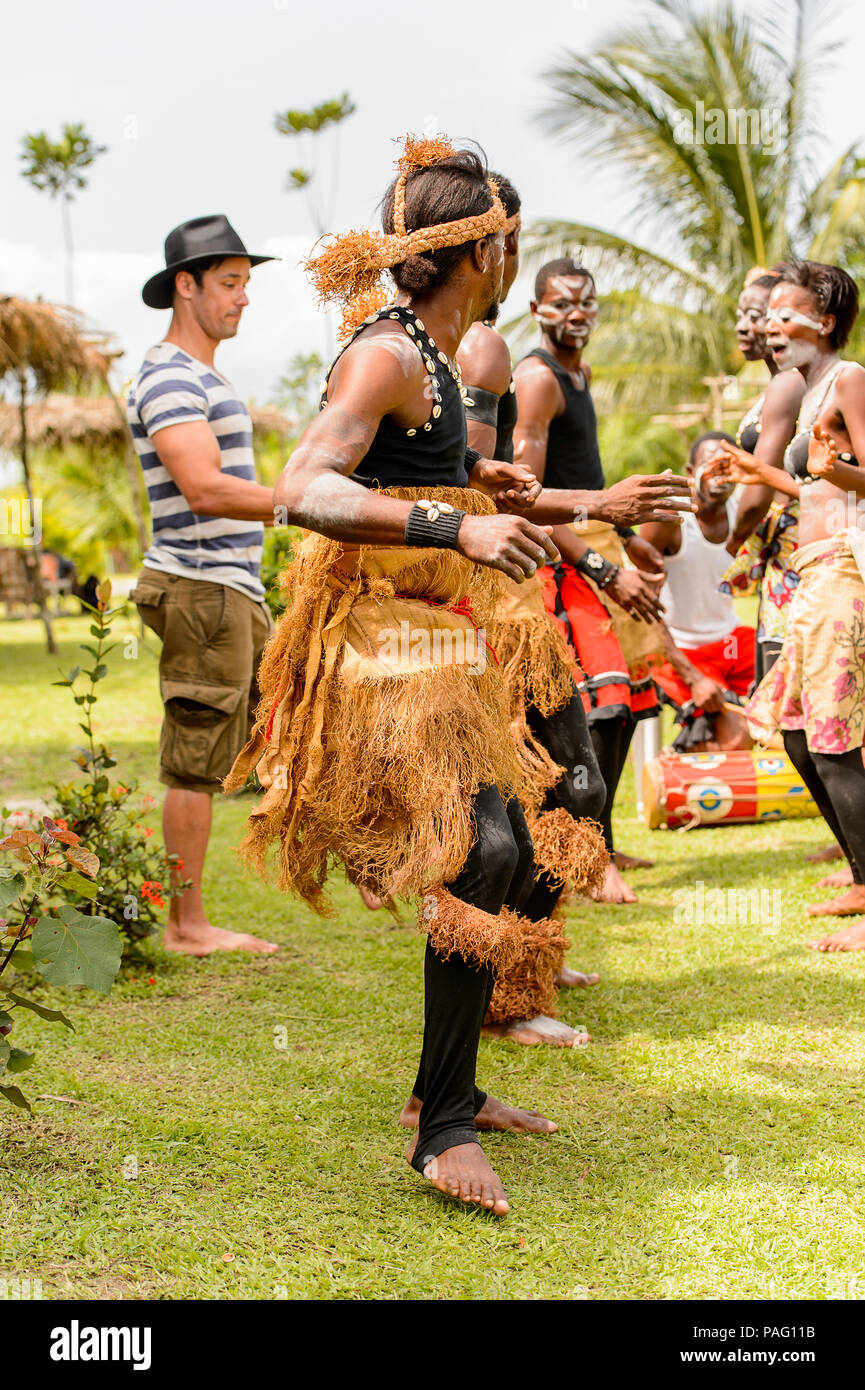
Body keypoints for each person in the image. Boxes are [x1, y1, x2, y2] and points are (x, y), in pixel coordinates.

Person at [227, 137, 578, 1214]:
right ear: (488, 248)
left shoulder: (436, 354)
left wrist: (479, 478)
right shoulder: (383, 352)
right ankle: (442, 1127)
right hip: (382, 638)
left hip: (439, 636)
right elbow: (305, 486)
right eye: (510, 239)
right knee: (485, 847)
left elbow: (406, 457)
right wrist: (449, 525)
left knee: (508, 843)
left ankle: (451, 1092)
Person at [436, 176, 693, 1048]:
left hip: (537, 583)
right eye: (504, 240)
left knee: (572, 788)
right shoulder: (494, 360)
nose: (574, 313)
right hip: (508, 599)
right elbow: (494, 491)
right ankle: (511, 988)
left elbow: (495, 486)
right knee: (545, 797)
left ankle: (528, 965)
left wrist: (614, 539)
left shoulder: (495, 356)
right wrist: (594, 542)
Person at [128, 215, 279, 957]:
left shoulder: (205, 375)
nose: (243, 298)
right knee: (194, 756)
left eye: (246, 283)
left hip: (231, 587)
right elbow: (202, 487)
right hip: (200, 586)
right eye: (228, 282)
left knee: (281, 728)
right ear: (184, 287)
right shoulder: (168, 374)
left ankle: (370, 875)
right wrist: (300, 502)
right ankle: (187, 927)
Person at [714, 260, 865, 950]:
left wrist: (833, 470)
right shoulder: (806, 394)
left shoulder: (849, 380)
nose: (769, 329)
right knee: (801, 735)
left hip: (842, 571)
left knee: (833, 743)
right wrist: (754, 471)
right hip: (807, 577)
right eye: (766, 317)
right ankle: (859, 870)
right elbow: (813, 488)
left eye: (784, 316)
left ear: (824, 321)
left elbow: (852, 477)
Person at [513, 258, 670, 903]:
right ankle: (582, 854)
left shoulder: (577, 372)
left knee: (630, 699)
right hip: (557, 559)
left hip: (594, 543)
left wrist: (629, 540)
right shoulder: (536, 379)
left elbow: (587, 476)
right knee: (597, 706)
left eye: (587, 304)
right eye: (563, 304)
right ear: (537, 311)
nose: (577, 315)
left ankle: (598, 841)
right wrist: (603, 569)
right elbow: (530, 496)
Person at [644, 432, 756, 751]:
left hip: (732, 642)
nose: (719, 473)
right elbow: (637, 602)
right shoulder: (670, 520)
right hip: (681, 649)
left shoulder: (744, 512)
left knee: (793, 694)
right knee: (736, 738)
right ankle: (684, 755)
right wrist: (692, 677)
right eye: (711, 464)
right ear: (690, 472)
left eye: (727, 465)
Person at [721, 271, 805, 681]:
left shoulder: (787, 383)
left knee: (786, 694)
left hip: (795, 555)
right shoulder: (778, 383)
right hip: (784, 554)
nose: (743, 326)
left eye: (755, 316)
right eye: (741, 314)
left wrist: (735, 539)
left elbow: (760, 484)